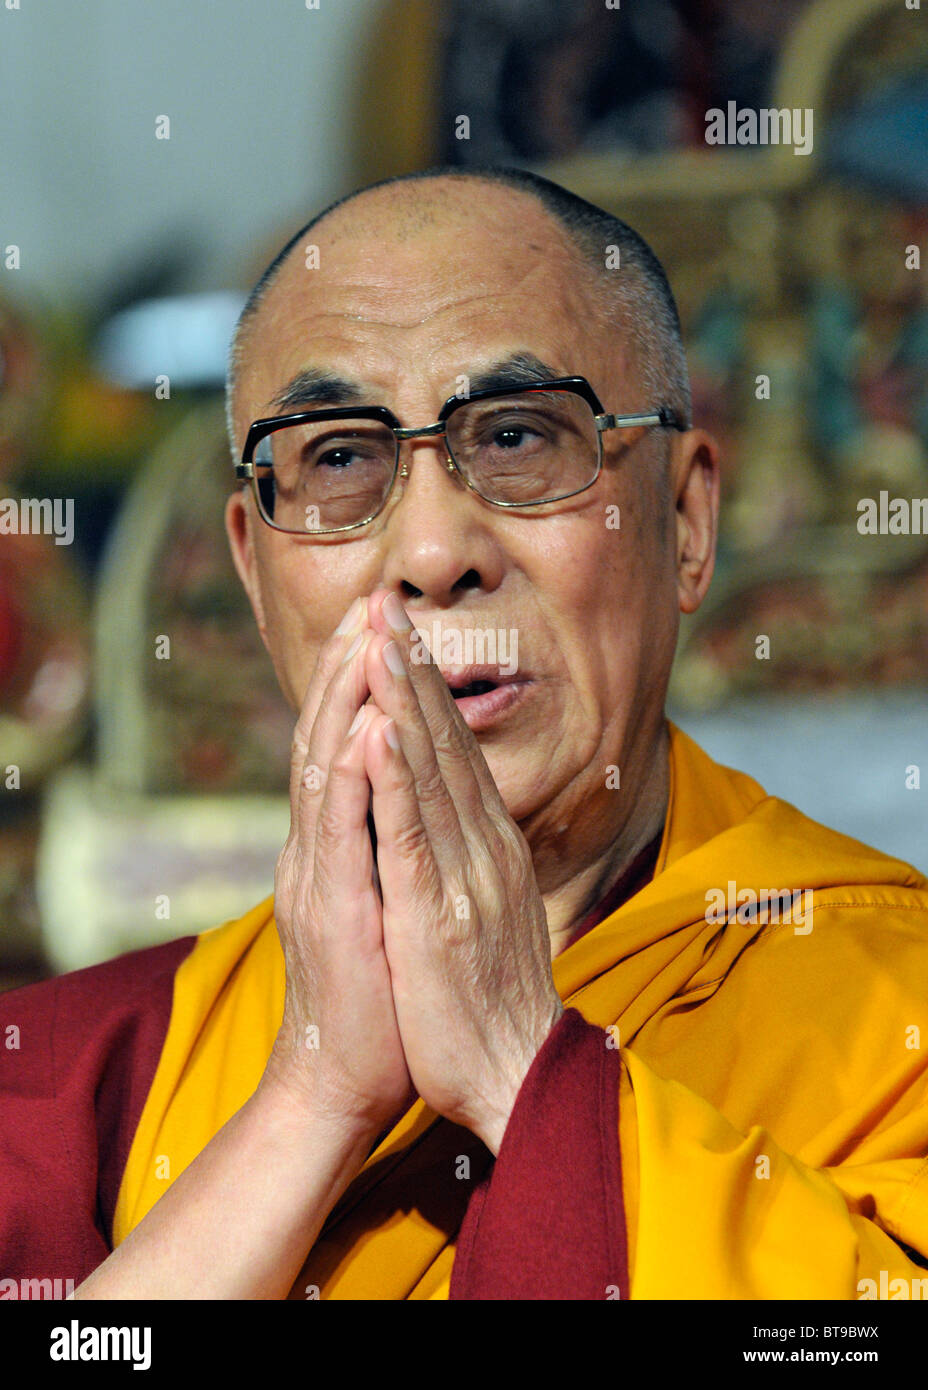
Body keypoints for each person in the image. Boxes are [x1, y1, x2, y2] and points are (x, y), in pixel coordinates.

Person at [2, 167, 927, 1302]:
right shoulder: (78, 1078)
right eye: (338, 457)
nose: (435, 551)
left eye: (520, 437)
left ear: (683, 523)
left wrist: (516, 1068)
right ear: (252, 570)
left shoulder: (894, 1016)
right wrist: (313, 1097)